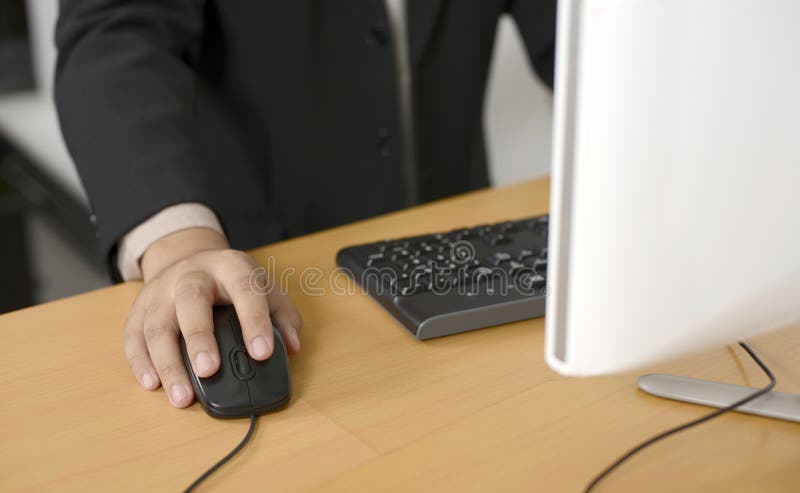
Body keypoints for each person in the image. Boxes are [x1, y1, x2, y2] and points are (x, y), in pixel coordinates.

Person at [54, 0, 556, 408]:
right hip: (273, 276)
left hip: (469, 266)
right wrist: (179, 248)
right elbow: (114, 31)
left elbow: (588, 28)